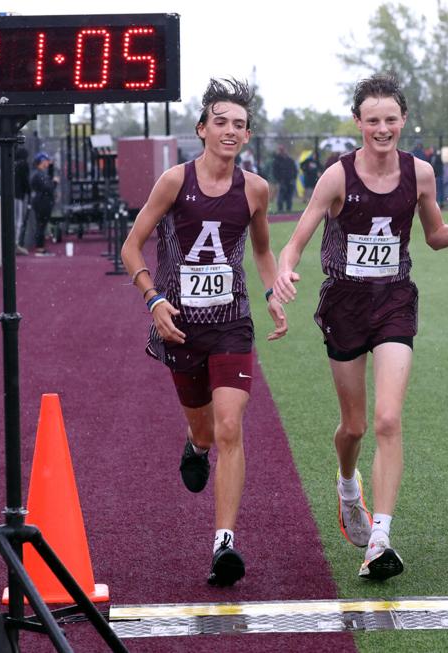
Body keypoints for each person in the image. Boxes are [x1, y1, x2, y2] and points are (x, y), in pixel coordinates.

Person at [272, 73, 448, 581]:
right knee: (355, 426)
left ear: (403, 120)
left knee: (388, 419)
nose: (382, 129)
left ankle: (381, 537)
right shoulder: (337, 177)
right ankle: (348, 487)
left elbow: (434, 235)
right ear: (357, 122)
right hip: (344, 304)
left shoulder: (421, 173)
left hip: (394, 302)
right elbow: (296, 240)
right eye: (372, 121)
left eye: (390, 119)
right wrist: (284, 270)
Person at [120, 78, 289, 587]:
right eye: (221, 122)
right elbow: (131, 247)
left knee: (230, 427)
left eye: (239, 124)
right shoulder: (174, 181)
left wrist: (272, 292)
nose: (230, 131)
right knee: (205, 430)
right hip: (181, 328)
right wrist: (154, 300)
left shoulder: (255, 189)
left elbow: (262, 250)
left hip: (232, 324)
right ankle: (194, 447)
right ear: (202, 129)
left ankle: (223, 544)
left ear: (248, 134)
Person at [29, 152, 57, 256]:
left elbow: (48, 181)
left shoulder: (39, 173)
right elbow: (48, 187)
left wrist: (51, 168)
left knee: (41, 225)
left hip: (42, 201)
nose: (48, 163)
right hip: (42, 202)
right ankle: (40, 248)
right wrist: (54, 183)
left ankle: (40, 247)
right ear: (42, 161)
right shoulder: (38, 174)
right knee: (41, 225)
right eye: (46, 161)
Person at [270, 145, 298, 214]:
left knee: (289, 196)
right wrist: (279, 179)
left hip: (290, 180)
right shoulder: (277, 161)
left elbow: (295, 170)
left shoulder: (290, 160)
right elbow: (275, 172)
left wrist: (293, 177)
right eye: (281, 150)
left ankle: (288, 209)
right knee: (281, 196)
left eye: (283, 150)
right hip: (282, 181)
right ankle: (280, 209)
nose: (282, 152)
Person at [14, 147, 31, 255]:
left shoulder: (13, 164)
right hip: (18, 195)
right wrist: (29, 191)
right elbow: (25, 180)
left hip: (9, 194)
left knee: (13, 220)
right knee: (18, 221)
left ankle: (12, 243)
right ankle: (14, 244)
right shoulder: (23, 164)